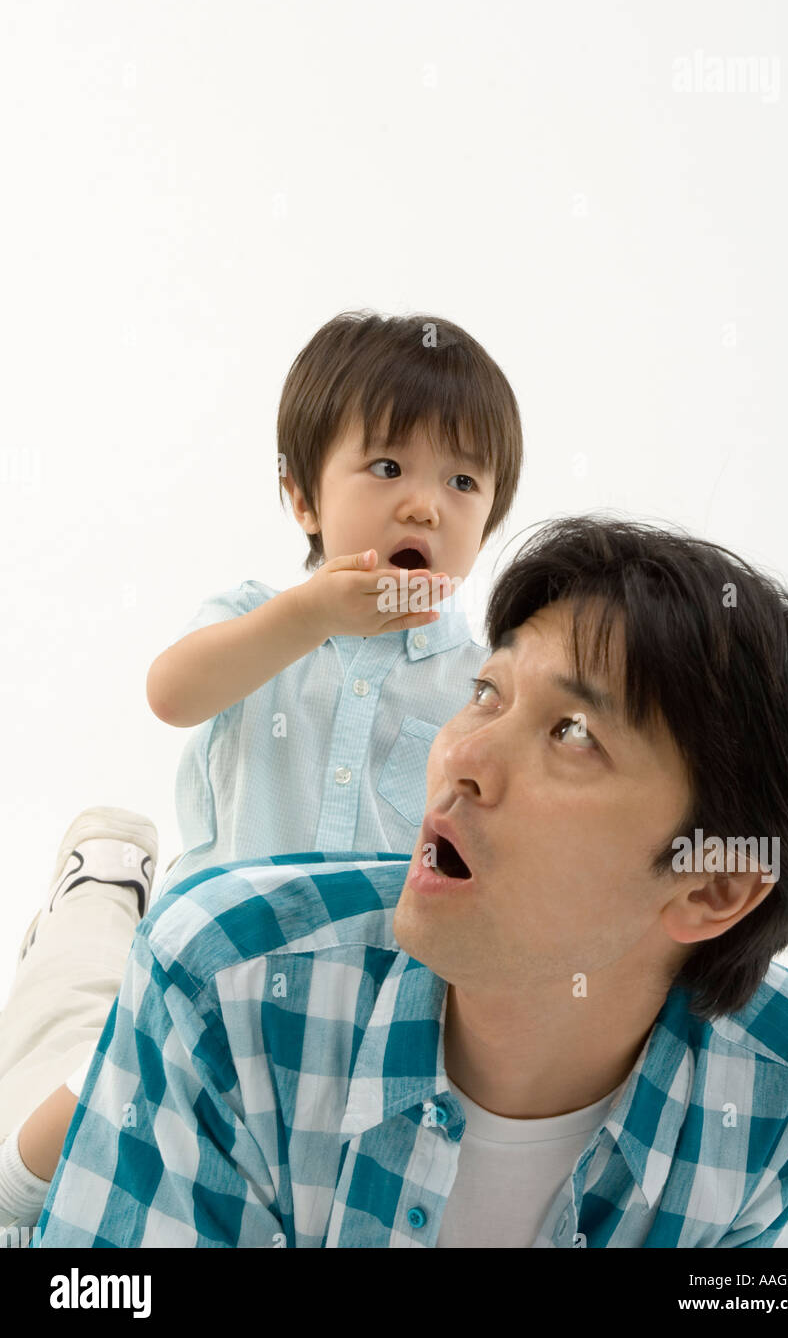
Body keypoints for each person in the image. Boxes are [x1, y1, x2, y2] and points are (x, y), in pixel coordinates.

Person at [32, 516, 788, 1248]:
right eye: (484, 695)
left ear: (711, 888)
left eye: (571, 733)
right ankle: (97, 893)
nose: (459, 757)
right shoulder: (220, 974)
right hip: (63, 1142)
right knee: (59, 1043)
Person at [0, 309, 523, 1231]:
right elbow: (172, 692)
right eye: (387, 467)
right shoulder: (258, 618)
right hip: (203, 978)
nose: (423, 505)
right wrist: (309, 616)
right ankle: (94, 909)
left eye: (463, 481)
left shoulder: (475, 681)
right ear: (302, 500)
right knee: (63, 1141)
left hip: (357, 1008)